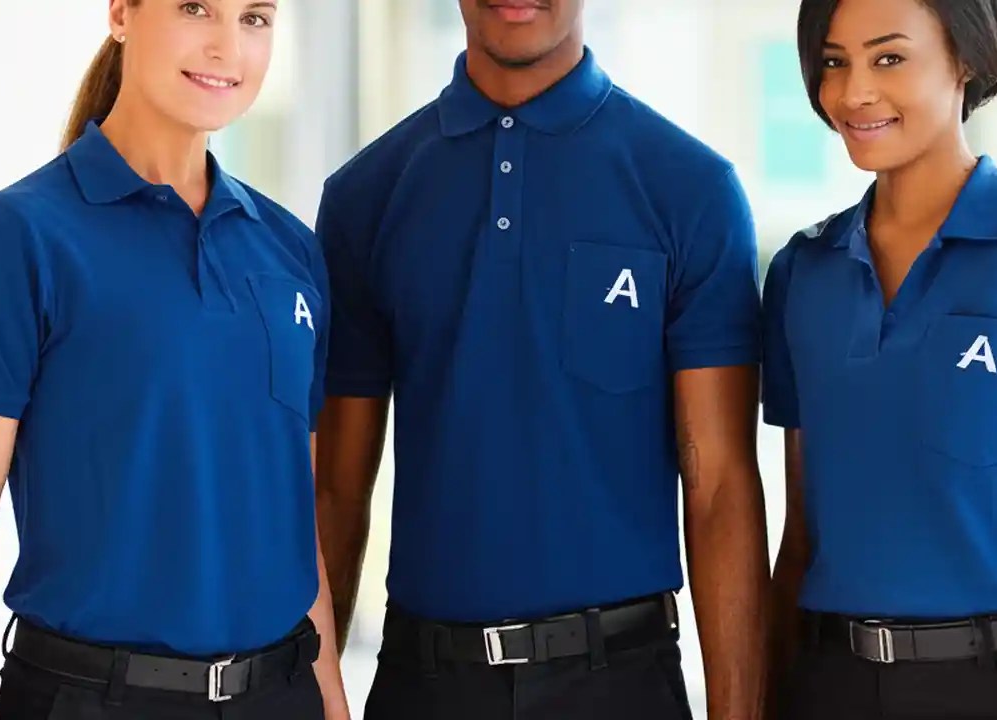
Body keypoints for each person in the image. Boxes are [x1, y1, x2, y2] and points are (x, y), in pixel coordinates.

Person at [314, 1, 769, 717]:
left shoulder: (690, 188)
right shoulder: (364, 195)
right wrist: (318, 694)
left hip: (620, 685)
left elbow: (719, 488)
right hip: (423, 685)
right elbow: (335, 494)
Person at [0, 1, 350, 718]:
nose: (226, 46)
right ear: (121, 13)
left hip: (280, 696)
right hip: (95, 700)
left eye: (255, 18)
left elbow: (291, 521)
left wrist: (331, 702)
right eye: (193, 9)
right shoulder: (23, 236)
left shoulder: (289, 249)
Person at [763, 1, 997, 718]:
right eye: (834, 62)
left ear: (965, 59)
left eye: (888, 58)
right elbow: (800, 534)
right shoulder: (801, 271)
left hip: (991, 688)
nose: (854, 91)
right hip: (824, 684)